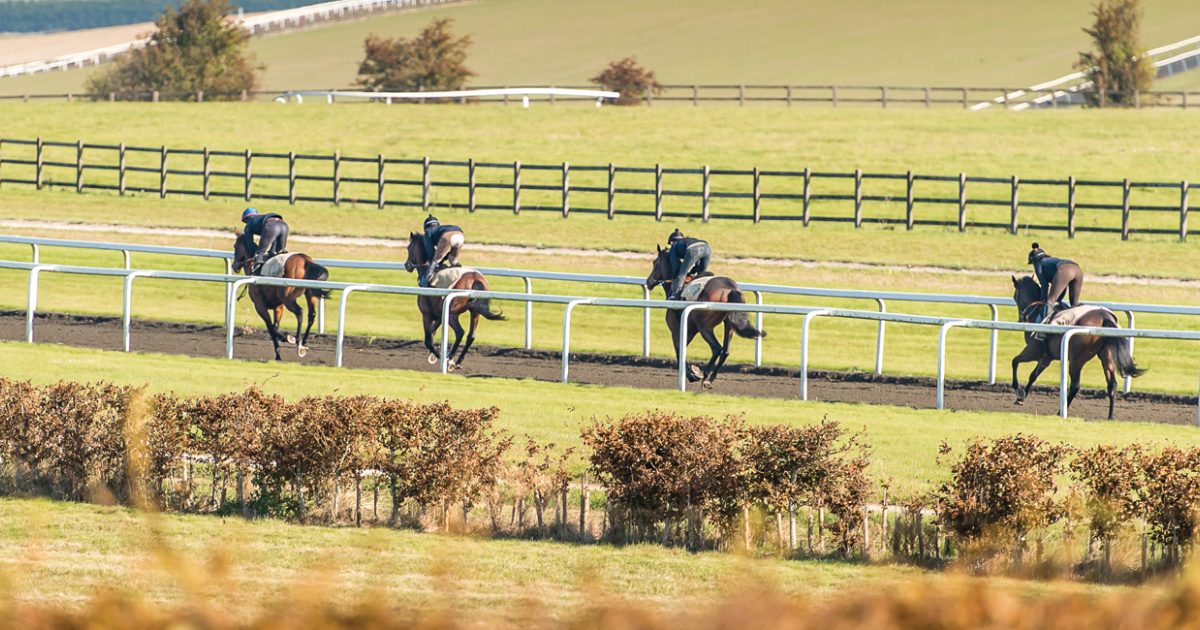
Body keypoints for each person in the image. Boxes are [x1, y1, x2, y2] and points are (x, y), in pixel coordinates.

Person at [1028, 242, 1084, 340]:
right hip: (1077, 269)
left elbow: (1044, 285)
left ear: (1033, 260)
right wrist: (1058, 300)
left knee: (1050, 301)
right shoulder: (1050, 261)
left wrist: (1043, 301)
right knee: (1074, 304)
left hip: (1065, 270)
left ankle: (1043, 331)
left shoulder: (1039, 264)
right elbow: (1061, 287)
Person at [664, 229, 712, 300]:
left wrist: (676, 278)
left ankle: (674, 296)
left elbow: (676, 267)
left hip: (693, 249)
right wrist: (691, 273)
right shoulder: (687, 241)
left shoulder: (674, 246)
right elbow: (697, 265)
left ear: (671, 242)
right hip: (707, 248)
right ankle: (702, 295)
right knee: (702, 275)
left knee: (681, 275)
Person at [420, 215, 465, 287]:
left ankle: (424, 282)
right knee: (453, 260)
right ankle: (462, 276)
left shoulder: (428, 232)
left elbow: (430, 253)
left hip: (448, 236)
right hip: (460, 234)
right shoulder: (440, 229)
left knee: (434, 261)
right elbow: (446, 255)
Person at [241, 208, 289, 274]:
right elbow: (274, 238)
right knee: (279, 254)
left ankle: (256, 275)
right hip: (284, 226)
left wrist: (255, 254)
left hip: (271, 226)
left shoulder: (249, 223)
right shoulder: (260, 219)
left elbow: (250, 244)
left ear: (246, 218)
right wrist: (272, 251)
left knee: (259, 255)